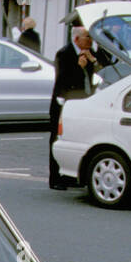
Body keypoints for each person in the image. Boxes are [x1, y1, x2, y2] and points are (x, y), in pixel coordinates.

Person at [49, 27, 97, 190]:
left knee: (77, 139)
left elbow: (99, 71)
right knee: (57, 138)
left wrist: (92, 62)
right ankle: (55, 178)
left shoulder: (89, 53)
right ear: (77, 39)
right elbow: (62, 78)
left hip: (83, 102)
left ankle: (70, 175)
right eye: (87, 37)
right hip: (64, 102)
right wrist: (79, 66)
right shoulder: (64, 53)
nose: (91, 40)